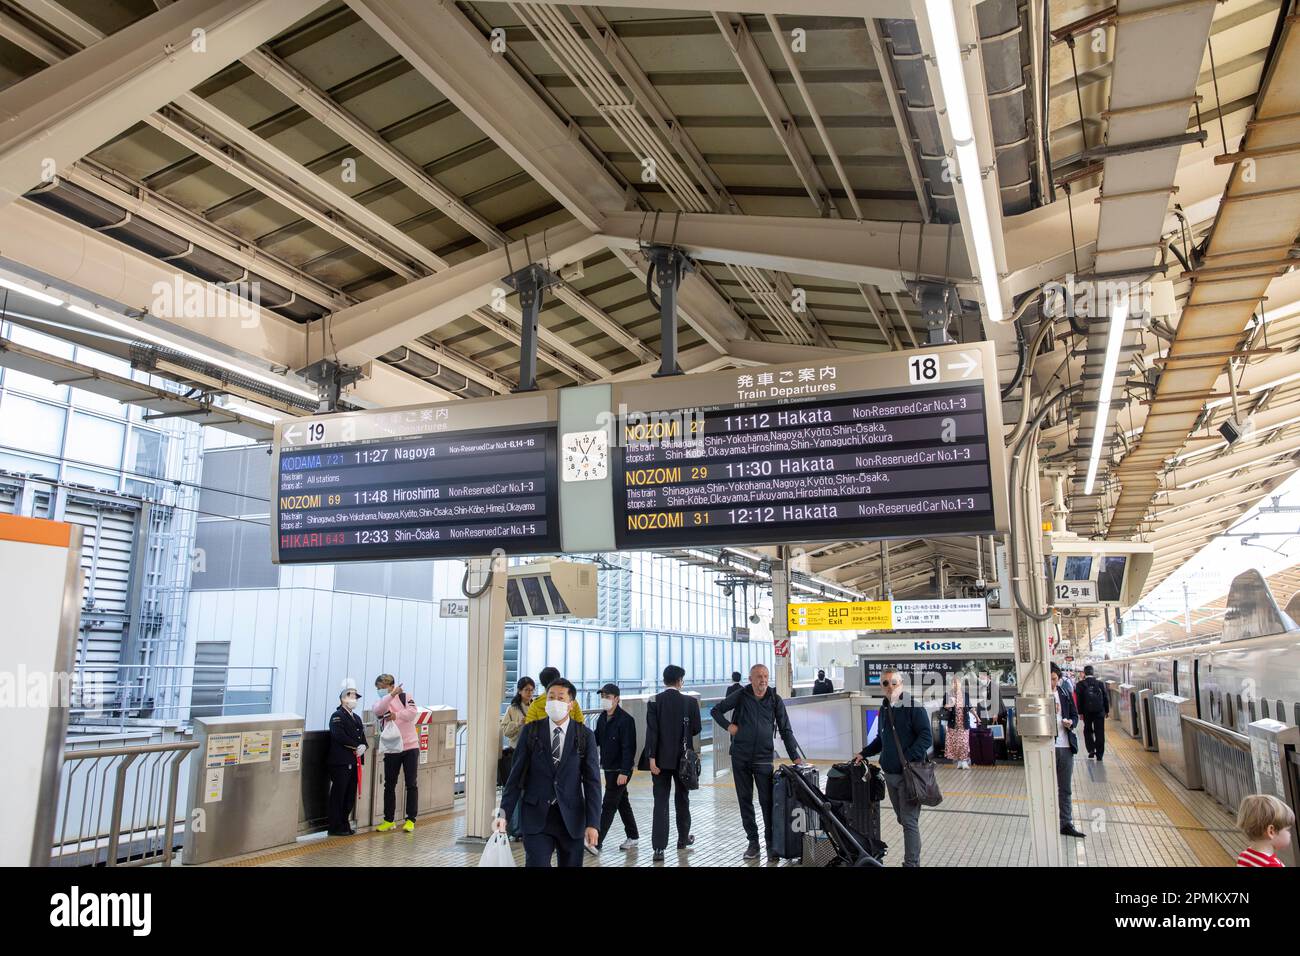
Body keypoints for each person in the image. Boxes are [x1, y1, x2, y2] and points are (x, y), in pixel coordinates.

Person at [496, 678, 601, 867]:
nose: (554, 702)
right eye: (551, 697)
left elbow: (592, 782)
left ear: (571, 704)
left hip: (571, 818)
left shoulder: (584, 736)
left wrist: (593, 823)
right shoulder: (531, 732)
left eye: (560, 698)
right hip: (537, 817)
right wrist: (503, 815)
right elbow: (515, 778)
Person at [711, 663, 805, 861]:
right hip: (740, 756)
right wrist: (729, 726)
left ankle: (771, 845)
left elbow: (785, 730)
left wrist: (795, 757)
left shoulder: (774, 699)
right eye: (759, 676)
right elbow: (716, 710)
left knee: (767, 802)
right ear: (751, 679)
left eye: (765, 676)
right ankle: (753, 843)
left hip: (763, 758)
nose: (763, 680)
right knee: (745, 801)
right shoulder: (741, 695)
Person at [854, 667, 931, 866]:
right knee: (904, 820)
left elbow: (926, 736)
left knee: (909, 821)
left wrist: (906, 758)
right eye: (885, 683)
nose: (890, 687)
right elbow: (882, 739)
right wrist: (864, 753)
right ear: (881, 686)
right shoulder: (885, 707)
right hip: (891, 775)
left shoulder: (913, 706)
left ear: (901, 684)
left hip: (909, 774)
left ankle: (911, 864)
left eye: (894, 682)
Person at [643, 664, 702, 862]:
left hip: (659, 762)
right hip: (683, 761)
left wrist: (651, 758)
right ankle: (683, 839)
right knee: (682, 798)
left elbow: (651, 732)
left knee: (660, 802)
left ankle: (659, 849)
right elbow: (696, 729)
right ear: (680, 681)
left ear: (664, 680)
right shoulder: (690, 703)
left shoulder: (654, 701)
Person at [594, 683, 640, 851]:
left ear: (617, 699)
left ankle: (596, 842)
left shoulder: (626, 720)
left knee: (608, 805)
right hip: (608, 767)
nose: (604, 700)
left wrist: (625, 772)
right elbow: (596, 739)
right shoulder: (602, 718)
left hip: (620, 770)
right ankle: (633, 836)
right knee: (622, 803)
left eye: (608, 697)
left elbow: (629, 748)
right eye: (603, 697)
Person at [372, 674, 419, 832]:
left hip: (410, 746)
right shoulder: (382, 702)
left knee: (411, 783)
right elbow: (378, 710)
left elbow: (412, 713)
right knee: (389, 784)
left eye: (382, 687)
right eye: (378, 688)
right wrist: (390, 695)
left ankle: (411, 819)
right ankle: (388, 820)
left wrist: (397, 715)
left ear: (391, 685)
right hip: (392, 748)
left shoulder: (406, 697)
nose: (380, 691)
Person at [326, 686, 367, 836]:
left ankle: (345, 824)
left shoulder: (356, 718)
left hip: (354, 761)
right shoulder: (337, 716)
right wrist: (356, 746)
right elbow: (339, 735)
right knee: (339, 794)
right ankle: (335, 826)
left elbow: (362, 737)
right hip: (341, 761)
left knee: (350, 794)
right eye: (351, 697)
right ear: (343, 699)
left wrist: (364, 746)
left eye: (355, 697)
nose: (354, 700)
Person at [499, 676, 535, 839]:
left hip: (533, 754)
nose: (529, 693)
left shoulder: (536, 706)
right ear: (519, 691)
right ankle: (515, 828)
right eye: (526, 690)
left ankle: (526, 826)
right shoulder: (512, 709)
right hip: (516, 753)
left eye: (532, 690)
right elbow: (505, 730)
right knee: (515, 790)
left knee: (529, 791)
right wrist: (519, 724)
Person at [1052, 663, 1085, 838]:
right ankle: (1049, 822)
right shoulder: (1039, 696)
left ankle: (1066, 823)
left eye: (1054, 679)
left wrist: (1071, 722)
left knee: (1065, 788)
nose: (1051, 682)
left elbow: (1074, 714)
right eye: (1048, 679)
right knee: (1047, 788)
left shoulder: (1064, 693)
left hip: (1065, 746)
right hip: (1047, 747)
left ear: (1058, 678)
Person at [1235, 794, 1293, 867]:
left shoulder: (1244, 856)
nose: (1290, 834)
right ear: (1271, 831)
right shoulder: (1272, 865)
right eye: (1287, 830)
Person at [1074, 665, 1109, 761]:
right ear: (1093, 673)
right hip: (1099, 711)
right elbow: (1105, 698)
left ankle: (1091, 750)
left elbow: (1079, 700)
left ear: (1084, 673)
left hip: (1087, 712)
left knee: (1087, 730)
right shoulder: (1100, 684)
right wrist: (1106, 711)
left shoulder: (1080, 684)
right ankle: (1100, 754)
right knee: (1100, 732)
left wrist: (1080, 713)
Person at [941, 675, 972, 769]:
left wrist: (977, 717)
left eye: (957, 682)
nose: (955, 684)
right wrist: (951, 704)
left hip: (964, 723)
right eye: (954, 682)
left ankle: (964, 761)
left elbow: (970, 707)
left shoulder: (965, 694)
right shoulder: (948, 694)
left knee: (964, 743)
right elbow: (944, 706)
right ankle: (959, 761)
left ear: (960, 683)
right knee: (955, 743)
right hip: (953, 723)